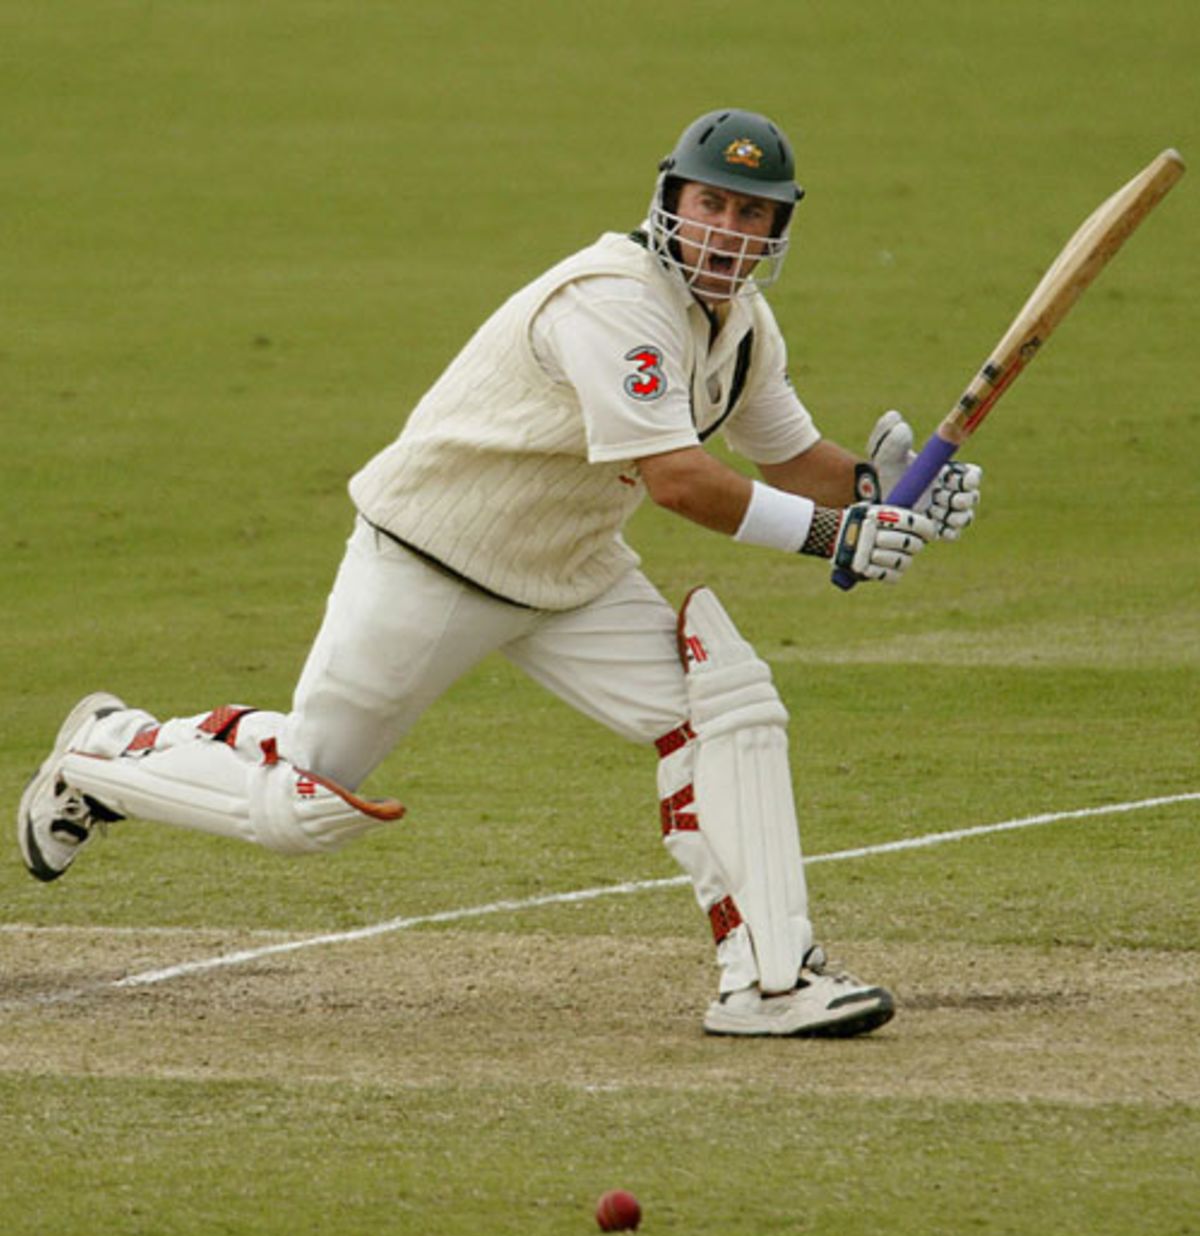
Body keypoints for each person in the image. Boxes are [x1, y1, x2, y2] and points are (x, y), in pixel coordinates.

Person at [18, 108, 981, 1038]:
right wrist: (836, 538)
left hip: (570, 570)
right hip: (437, 556)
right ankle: (107, 753)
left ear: (778, 227)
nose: (726, 229)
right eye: (710, 203)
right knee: (304, 803)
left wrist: (877, 489)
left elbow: (788, 453)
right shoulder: (614, 302)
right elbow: (680, 482)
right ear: (671, 201)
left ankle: (773, 980)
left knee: (725, 704)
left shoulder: (744, 326)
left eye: (751, 212)